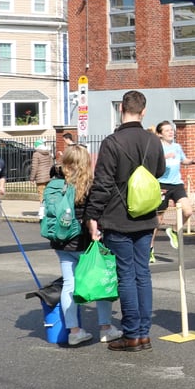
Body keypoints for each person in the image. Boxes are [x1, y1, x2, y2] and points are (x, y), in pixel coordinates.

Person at [84, 90, 166, 353]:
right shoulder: (154, 141)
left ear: (121, 108)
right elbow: (160, 171)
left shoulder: (112, 142)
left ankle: (131, 333)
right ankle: (143, 333)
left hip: (118, 216)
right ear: (144, 111)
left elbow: (103, 184)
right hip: (146, 215)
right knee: (143, 273)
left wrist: (92, 216)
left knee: (126, 275)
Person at [53, 144, 123, 346]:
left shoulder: (57, 183)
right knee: (101, 281)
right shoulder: (90, 185)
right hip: (86, 241)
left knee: (69, 284)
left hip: (62, 240)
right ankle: (106, 328)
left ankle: (74, 331)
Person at [152, 120, 195, 263]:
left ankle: (173, 230)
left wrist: (192, 161)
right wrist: (164, 157)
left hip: (177, 184)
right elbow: (151, 163)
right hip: (162, 185)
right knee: (158, 220)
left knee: (188, 211)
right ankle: (150, 249)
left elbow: (183, 160)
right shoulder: (157, 147)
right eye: (167, 130)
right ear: (160, 134)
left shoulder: (177, 147)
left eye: (171, 130)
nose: (170, 132)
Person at [30, 139, 54, 218]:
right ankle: (49, 210)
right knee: (48, 194)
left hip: (40, 177)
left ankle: (42, 212)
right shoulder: (48, 153)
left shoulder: (36, 154)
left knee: (41, 194)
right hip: (49, 177)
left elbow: (34, 167)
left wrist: (32, 178)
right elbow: (52, 165)